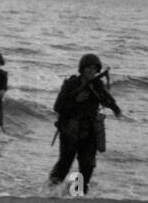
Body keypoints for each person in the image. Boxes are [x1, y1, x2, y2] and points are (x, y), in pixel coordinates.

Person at [49, 52, 122, 195]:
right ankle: (50, 191)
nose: (91, 70)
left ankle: (76, 193)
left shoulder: (97, 84)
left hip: (89, 130)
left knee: (88, 165)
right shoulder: (71, 84)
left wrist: (116, 109)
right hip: (70, 130)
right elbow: (58, 106)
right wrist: (76, 100)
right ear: (82, 69)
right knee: (65, 163)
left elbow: (106, 99)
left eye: (94, 68)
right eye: (88, 67)